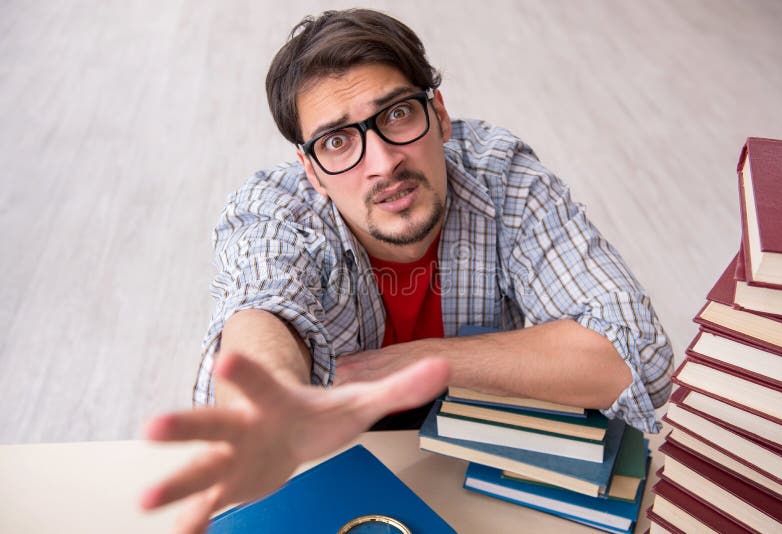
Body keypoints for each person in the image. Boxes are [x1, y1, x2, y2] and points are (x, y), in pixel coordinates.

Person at [140, 8, 673, 533]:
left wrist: (415, 363)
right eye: (337, 141)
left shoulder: (503, 175)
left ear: (438, 113)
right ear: (311, 172)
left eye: (396, 114)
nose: (382, 162)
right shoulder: (277, 211)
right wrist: (272, 408)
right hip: (343, 471)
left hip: (482, 472)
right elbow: (262, 307)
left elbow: (634, 357)